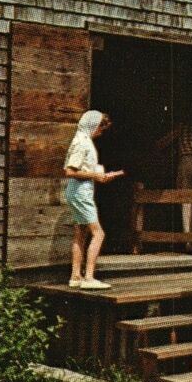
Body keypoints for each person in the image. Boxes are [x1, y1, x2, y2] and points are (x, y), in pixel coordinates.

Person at [64, 110, 124, 290]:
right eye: (100, 128)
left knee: (81, 232)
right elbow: (70, 171)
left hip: (79, 192)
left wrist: (101, 176)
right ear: (93, 125)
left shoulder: (84, 140)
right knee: (99, 233)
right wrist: (96, 176)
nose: (101, 132)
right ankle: (89, 277)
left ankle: (76, 276)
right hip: (80, 193)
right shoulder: (82, 142)